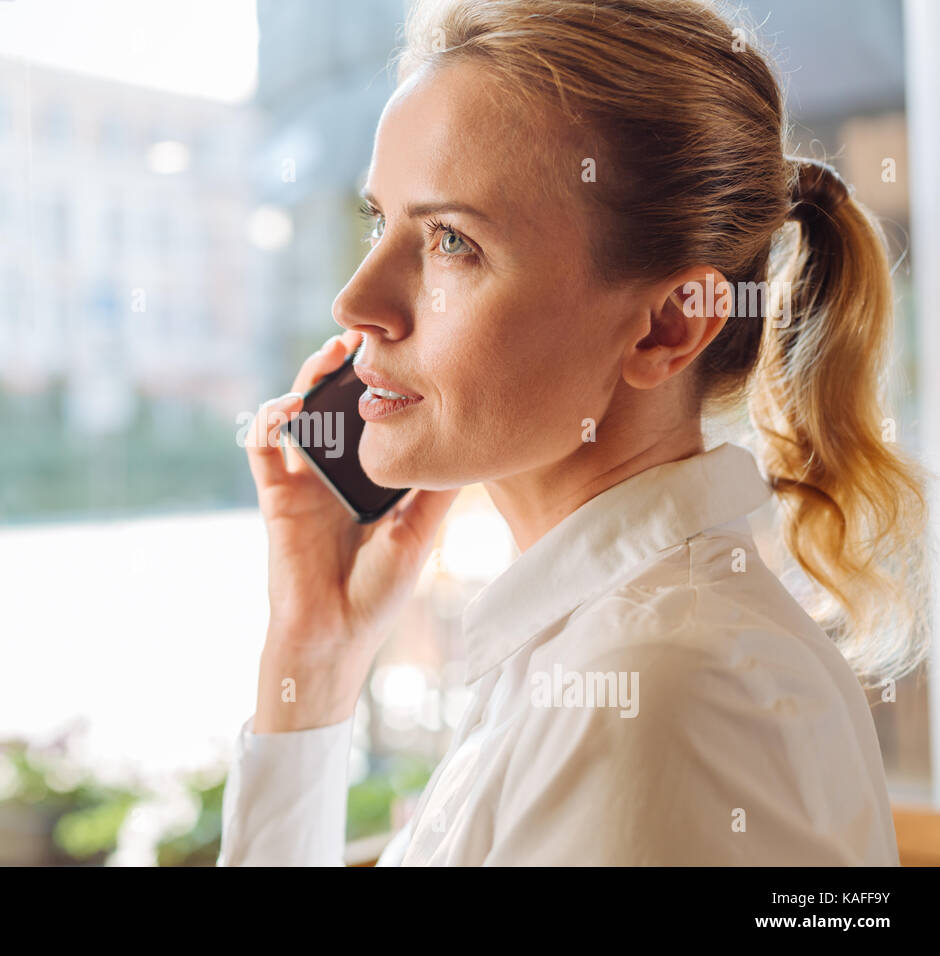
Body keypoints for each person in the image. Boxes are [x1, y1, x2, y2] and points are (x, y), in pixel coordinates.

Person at [223, 0, 929, 866]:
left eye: (450, 240)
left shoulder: (658, 697)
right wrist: (315, 655)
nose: (357, 300)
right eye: (381, 221)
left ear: (670, 325)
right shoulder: (595, 653)